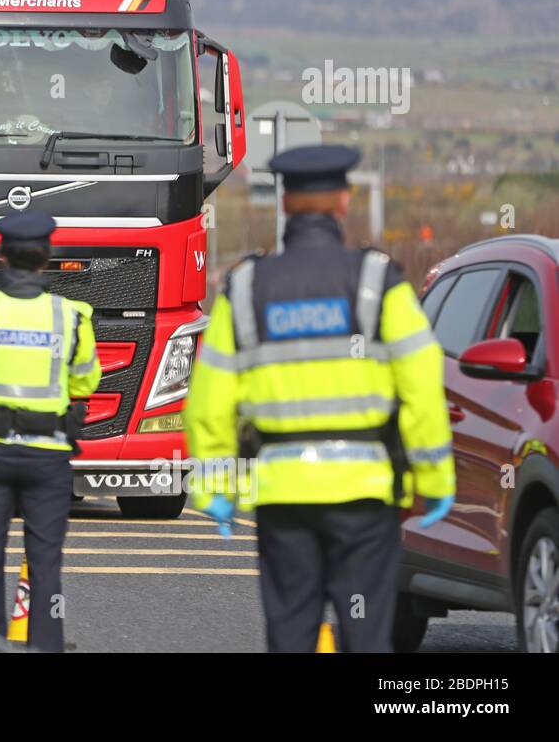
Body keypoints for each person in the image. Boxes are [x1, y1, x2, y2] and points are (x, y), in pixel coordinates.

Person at [183, 144, 456, 653]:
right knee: (367, 635)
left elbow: (210, 400)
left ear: (285, 205)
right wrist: (434, 479)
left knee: (290, 635)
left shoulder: (245, 288)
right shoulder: (378, 282)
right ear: (345, 202)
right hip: (366, 495)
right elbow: (421, 383)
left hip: (284, 496)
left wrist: (216, 488)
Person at [0, 211, 101, 653]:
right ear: (46, 257)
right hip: (48, 455)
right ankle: (46, 645)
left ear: (1, 254)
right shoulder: (72, 317)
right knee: (46, 560)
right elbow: (86, 381)